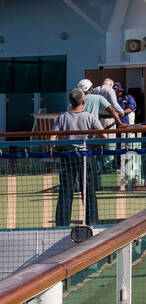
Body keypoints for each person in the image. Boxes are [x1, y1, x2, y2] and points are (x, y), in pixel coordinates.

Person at [50, 88, 103, 227]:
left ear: (70, 101)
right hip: (85, 155)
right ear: (84, 101)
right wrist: (93, 143)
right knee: (88, 190)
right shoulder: (90, 117)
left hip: (67, 156)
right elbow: (104, 136)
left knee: (65, 190)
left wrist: (56, 147)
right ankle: (92, 223)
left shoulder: (62, 117)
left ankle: (61, 224)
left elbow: (52, 139)